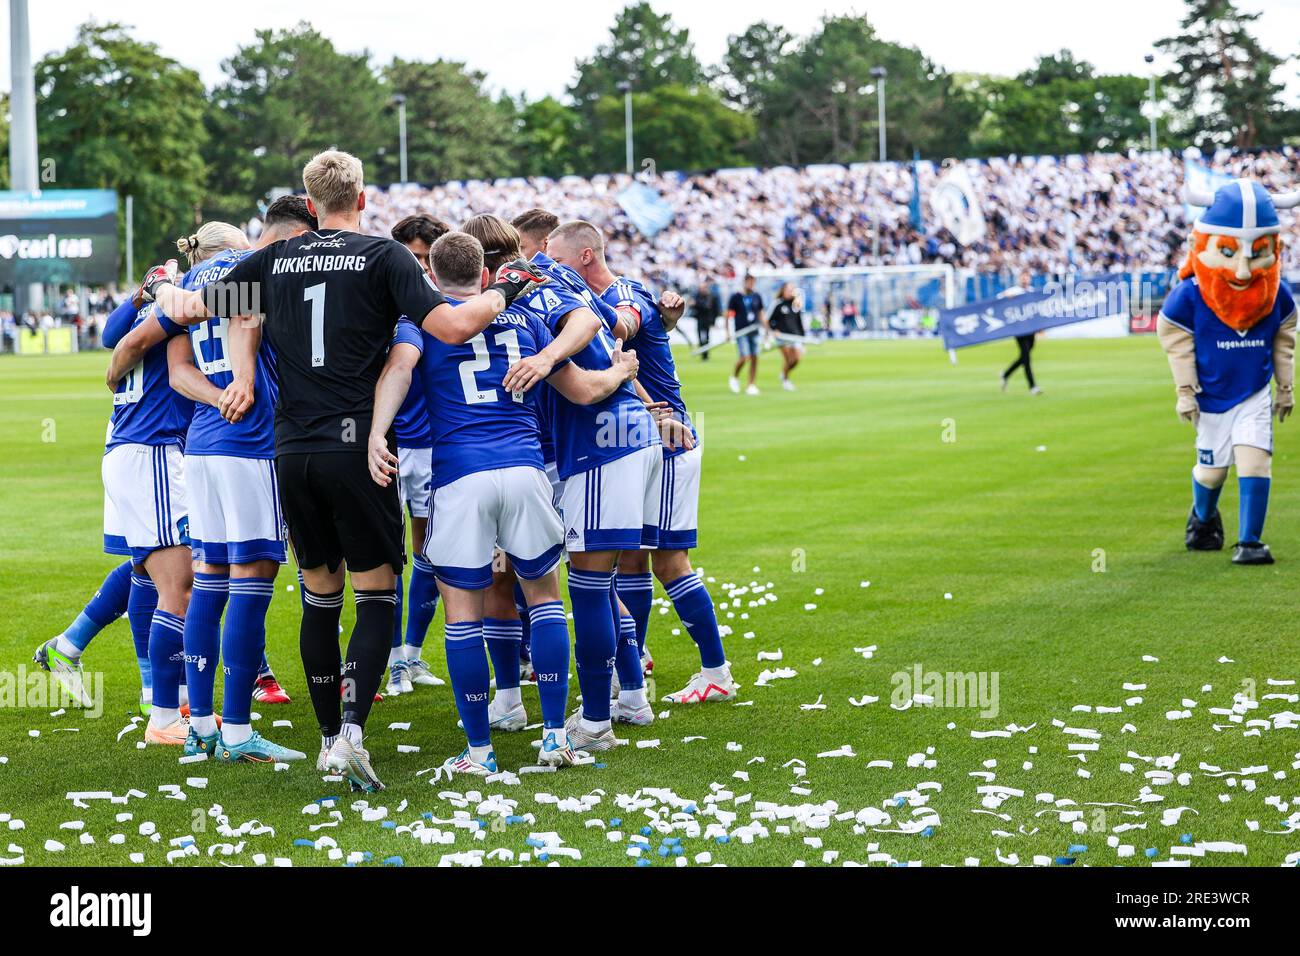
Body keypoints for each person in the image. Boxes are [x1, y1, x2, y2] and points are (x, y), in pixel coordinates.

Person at [137, 149, 542, 792]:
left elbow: (198, 311)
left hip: (293, 449)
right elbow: (458, 325)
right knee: (378, 595)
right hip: (360, 448)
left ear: (309, 198)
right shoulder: (383, 256)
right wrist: (504, 290)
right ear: (361, 198)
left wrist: (170, 296)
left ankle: (328, 740)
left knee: (320, 599)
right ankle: (352, 730)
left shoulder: (272, 259)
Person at [370, 230, 641, 772]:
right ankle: (556, 738)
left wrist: (377, 435)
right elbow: (585, 389)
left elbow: (398, 371)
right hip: (524, 471)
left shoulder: (422, 323)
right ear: (488, 275)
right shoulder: (527, 321)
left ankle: (479, 752)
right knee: (543, 600)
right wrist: (622, 370)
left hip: (460, 478)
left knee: (462, 614)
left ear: (432, 278)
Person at [560, 223, 737, 713]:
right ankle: (631, 663)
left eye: (557, 259)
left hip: (669, 434)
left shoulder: (628, 293)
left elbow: (621, 328)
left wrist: (562, 303)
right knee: (634, 558)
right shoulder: (608, 294)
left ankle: (715, 671)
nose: (551, 269)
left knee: (668, 562)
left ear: (585, 257)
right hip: (646, 434)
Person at [1158, 179, 1298, 565]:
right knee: (1212, 473)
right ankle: (1203, 517)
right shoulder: (1190, 294)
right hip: (1211, 397)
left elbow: (1284, 337)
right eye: (1228, 252)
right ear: (1201, 245)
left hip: (1253, 391)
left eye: (1258, 254)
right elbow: (1175, 337)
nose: (1243, 268)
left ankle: (1250, 542)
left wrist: (1284, 387)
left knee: (1256, 461)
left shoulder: (1275, 294)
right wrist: (1185, 390)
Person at [385, 214, 451, 696]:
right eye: (414, 258)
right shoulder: (379, 299)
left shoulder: (446, 307)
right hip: (386, 444)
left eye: (429, 258)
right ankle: (390, 660)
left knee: (429, 549)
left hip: (432, 447)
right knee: (388, 556)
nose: (422, 267)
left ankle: (411, 651)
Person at [727, 275, 766, 395]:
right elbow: (728, 314)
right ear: (744, 282)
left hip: (754, 331)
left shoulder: (756, 296)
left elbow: (760, 313)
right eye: (749, 282)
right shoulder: (736, 297)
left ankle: (751, 384)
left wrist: (766, 330)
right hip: (741, 331)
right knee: (744, 356)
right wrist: (727, 331)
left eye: (752, 282)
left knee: (755, 357)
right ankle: (734, 377)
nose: (750, 284)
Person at [769, 282, 806, 392]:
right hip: (783, 337)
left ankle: (784, 373)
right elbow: (770, 320)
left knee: (796, 359)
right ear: (783, 290)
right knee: (789, 359)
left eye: (792, 290)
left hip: (795, 336)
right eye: (788, 289)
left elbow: (799, 322)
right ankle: (786, 380)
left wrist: (802, 337)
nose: (790, 292)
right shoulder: (778, 304)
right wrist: (774, 330)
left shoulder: (795, 305)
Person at [693, 281, 720, 360]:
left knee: (707, 338)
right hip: (700, 319)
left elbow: (710, 308)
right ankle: (703, 354)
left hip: (707, 320)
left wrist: (713, 321)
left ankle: (706, 354)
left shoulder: (710, 297)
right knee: (700, 337)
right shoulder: (698, 296)